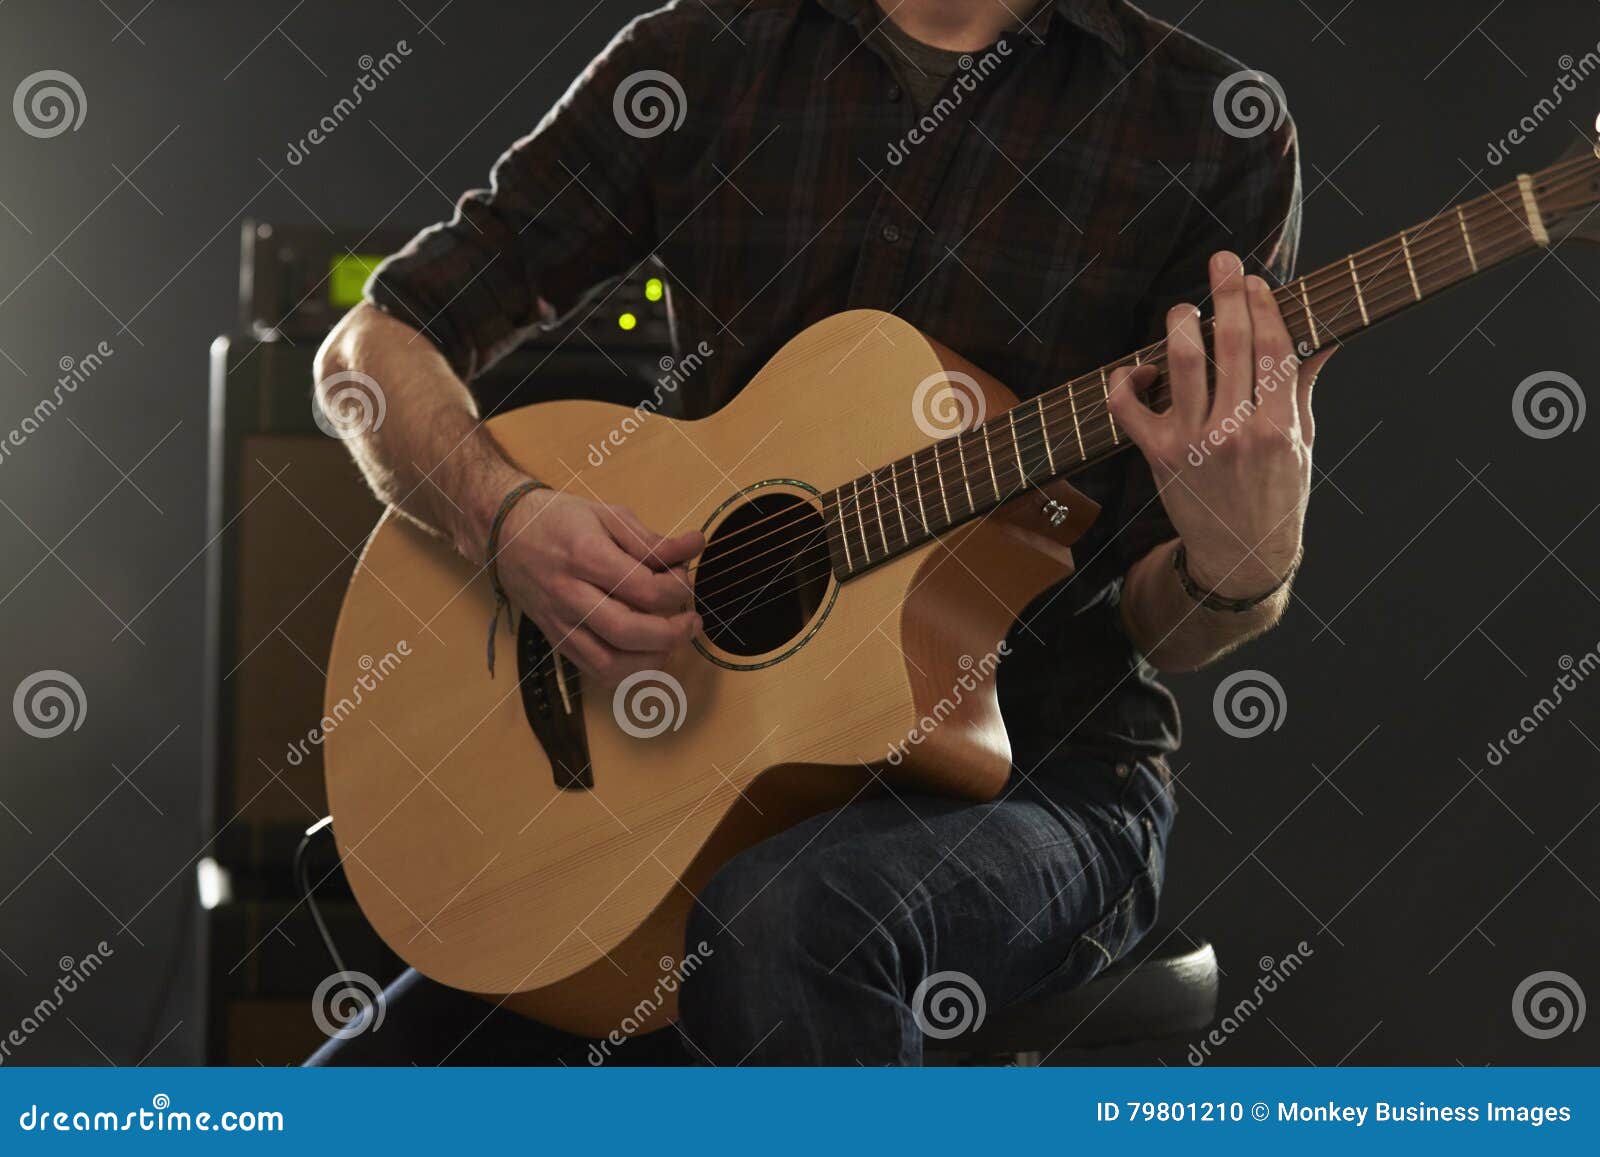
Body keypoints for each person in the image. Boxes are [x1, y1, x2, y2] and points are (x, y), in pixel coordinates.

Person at [308, 0, 1332, 1066]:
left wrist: (1236, 564)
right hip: (692, 765)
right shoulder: (701, 58)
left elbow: (1154, 624)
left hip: (1042, 779)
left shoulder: (1207, 125)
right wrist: (503, 516)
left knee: (785, 919)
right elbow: (370, 345)